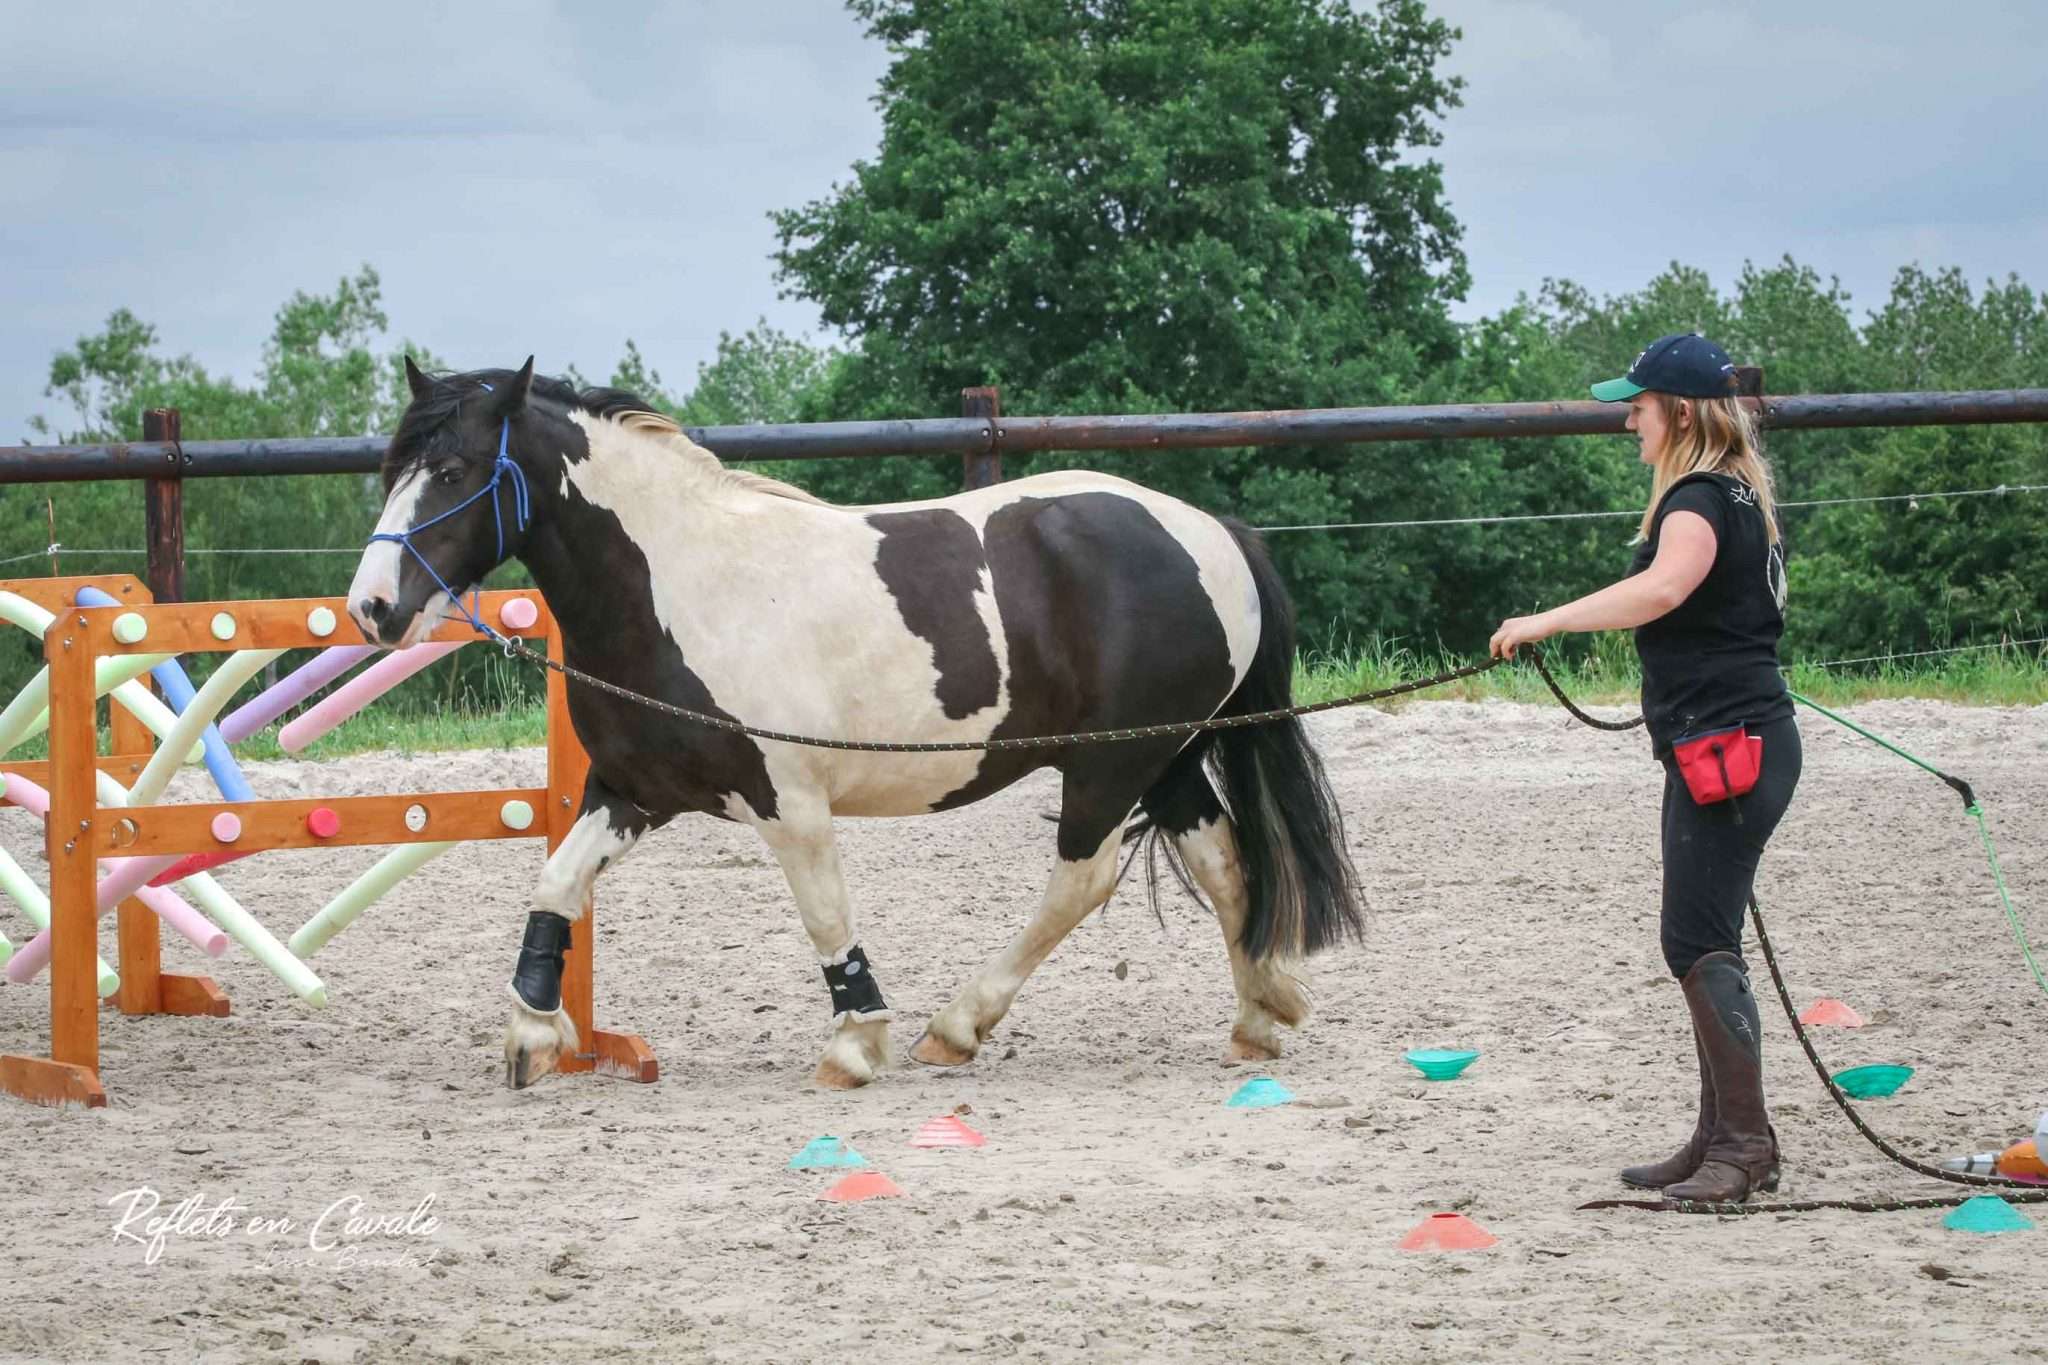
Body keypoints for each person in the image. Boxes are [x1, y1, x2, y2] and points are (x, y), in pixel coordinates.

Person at [1489, 333, 1801, 1203]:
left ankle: (1743, 1145)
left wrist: (1545, 620)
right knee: (1700, 936)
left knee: (1697, 938)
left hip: (1727, 747)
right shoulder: (1735, 495)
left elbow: (1662, 590)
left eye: (1641, 404)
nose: (1630, 419)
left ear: (1683, 412)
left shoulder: (1698, 501)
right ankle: (1719, 1135)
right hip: (1725, 740)